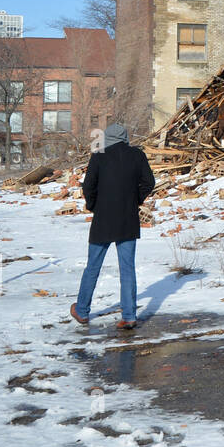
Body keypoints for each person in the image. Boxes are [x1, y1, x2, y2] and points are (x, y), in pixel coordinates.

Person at [70, 123, 155, 329]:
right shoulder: (137, 155)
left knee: (93, 267)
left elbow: (88, 185)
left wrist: (93, 205)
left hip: (103, 219)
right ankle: (129, 316)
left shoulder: (99, 155)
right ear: (125, 137)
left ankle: (81, 311)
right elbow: (149, 182)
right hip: (127, 219)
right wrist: (136, 199)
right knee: (127, 269)